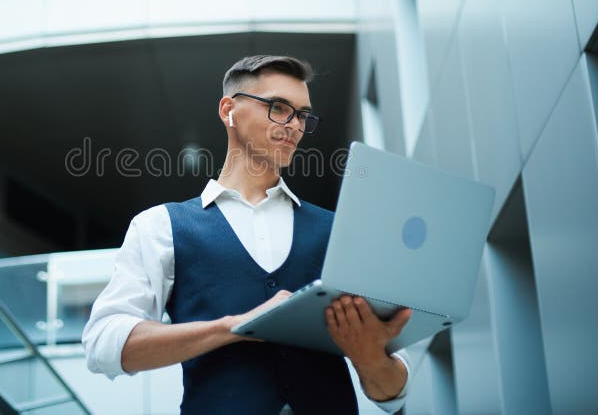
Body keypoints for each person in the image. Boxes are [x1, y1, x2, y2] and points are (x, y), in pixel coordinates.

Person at [82, 55, 413, 414]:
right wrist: (237, 326)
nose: (294, 125)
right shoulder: (160, 226)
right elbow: (103, 343)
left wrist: (369, 358)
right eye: (278, 107)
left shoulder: (338, 231)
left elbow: (393, 393)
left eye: (302, 115)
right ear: (229, 111)